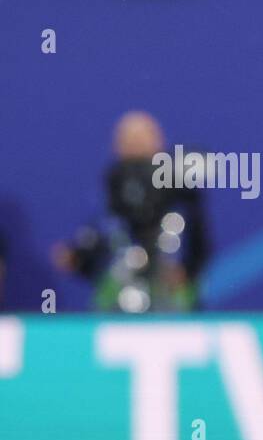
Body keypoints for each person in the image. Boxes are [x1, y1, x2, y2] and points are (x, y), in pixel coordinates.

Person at [52, 111, 208, 313]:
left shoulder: (182, 193)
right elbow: (98, 235)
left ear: (158, 142)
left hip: (170, 288)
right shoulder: (111, 186)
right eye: (129, 140)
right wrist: (78, 257)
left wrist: (187, 270)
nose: (136, 146)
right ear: (117, 147)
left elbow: (200, 242)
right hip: (120, 288)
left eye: (142, 139)